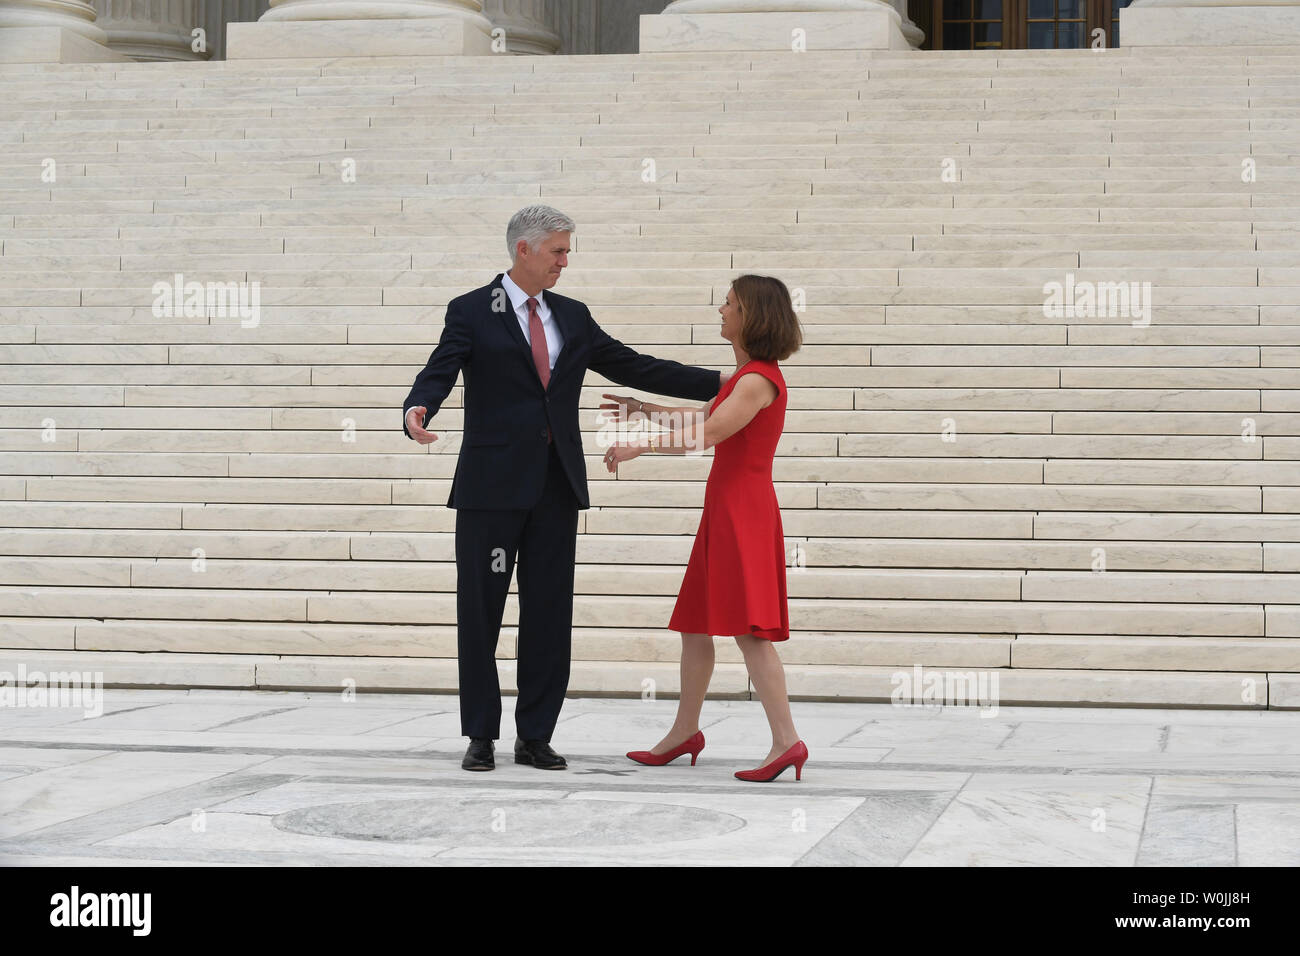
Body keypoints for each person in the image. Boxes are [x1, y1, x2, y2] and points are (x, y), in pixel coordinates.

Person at [401, 204, 731, 773]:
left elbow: (634, 367)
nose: (565, 261)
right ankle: (481, 734)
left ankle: (535, 735)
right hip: (490, 489)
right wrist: (418, 405)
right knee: (480, 613)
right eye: (557, 251)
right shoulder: (473, 310)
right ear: (523, 250)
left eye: (567, 250)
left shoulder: (572, 317)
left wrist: (728, 379)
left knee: (550, 614)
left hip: (555, 487)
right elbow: (442, 366)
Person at [601, 275, 807, 782]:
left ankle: (786, 741)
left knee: (751, 631)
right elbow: (701, 415)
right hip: (726, 509)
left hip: (744, 512)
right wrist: (642, 410)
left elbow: (711, 433)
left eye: (730, 304)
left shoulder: (759, 379)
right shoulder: (743, 379)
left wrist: (640, 445)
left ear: (751, 316)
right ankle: (684, 732)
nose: (721, 309)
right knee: (695, 625)